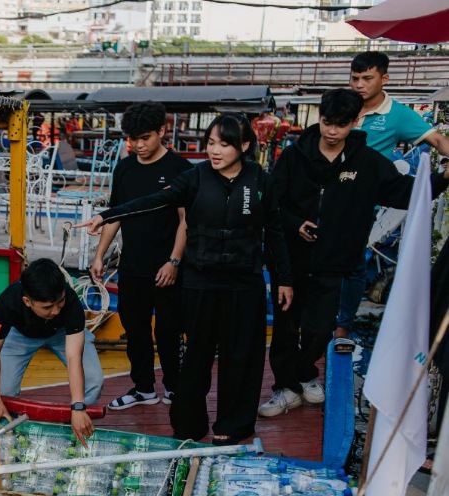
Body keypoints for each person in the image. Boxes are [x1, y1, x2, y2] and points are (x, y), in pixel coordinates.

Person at [78, 113, 294, 446]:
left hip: (243, 282)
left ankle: (233, 424)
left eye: (224, 144)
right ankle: (190, 424)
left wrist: (285, 279)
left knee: (241, 357)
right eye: (210, 143)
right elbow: (155, 201)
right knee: (196, 357)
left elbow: (277, 230)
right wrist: (107, 214)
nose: (215, 151)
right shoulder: (195, 177)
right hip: (200, 282)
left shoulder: (260, 181)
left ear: (244, 146)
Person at [261, 89, 449, 418]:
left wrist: (443, 179)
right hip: (290, 261)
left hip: (335, 262)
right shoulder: (294, 156)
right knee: (286, 328)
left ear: (355, 122)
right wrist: (295, 225)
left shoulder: (368, 162)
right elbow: (272, 202)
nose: (332, 131)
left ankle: (304, 375)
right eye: (327, 123)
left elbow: (406, 193)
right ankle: (286, 388)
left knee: (320, 329)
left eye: (341, 125)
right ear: (319, 118)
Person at [333, 51, 449, 352]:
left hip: (363, 202)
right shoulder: (341, 105)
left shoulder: (397, 114)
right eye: (355, 78)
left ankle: (342, 327)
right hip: (327, 195)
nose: (359, 84)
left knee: (353, 264)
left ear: (384, 79)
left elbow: (437, 141)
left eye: (367, 78)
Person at [91, 101, 190, 410]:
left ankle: (174, 386)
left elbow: (186, 219)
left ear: (162, 131)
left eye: (145, 137)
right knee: (135, 330)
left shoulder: (180, 169)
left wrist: (173, 261)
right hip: (132, 265)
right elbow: (116, 214)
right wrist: (99, 256)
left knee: (169, 331)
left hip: (167, 266)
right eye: (133, 139)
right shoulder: (125, 168)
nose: (139, 145)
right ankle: (143, 387)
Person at [0, 258, 103, 443]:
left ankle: (79, 426)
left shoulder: (71, 303)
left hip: (62, 334)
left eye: (59, 302)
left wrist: (78, 407)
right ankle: (8, 430)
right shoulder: (8, 301)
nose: (55, 311)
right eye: (47, 307)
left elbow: (74, 358)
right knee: (2, 391)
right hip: (21, 335)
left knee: (94, 379)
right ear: (27, 301)